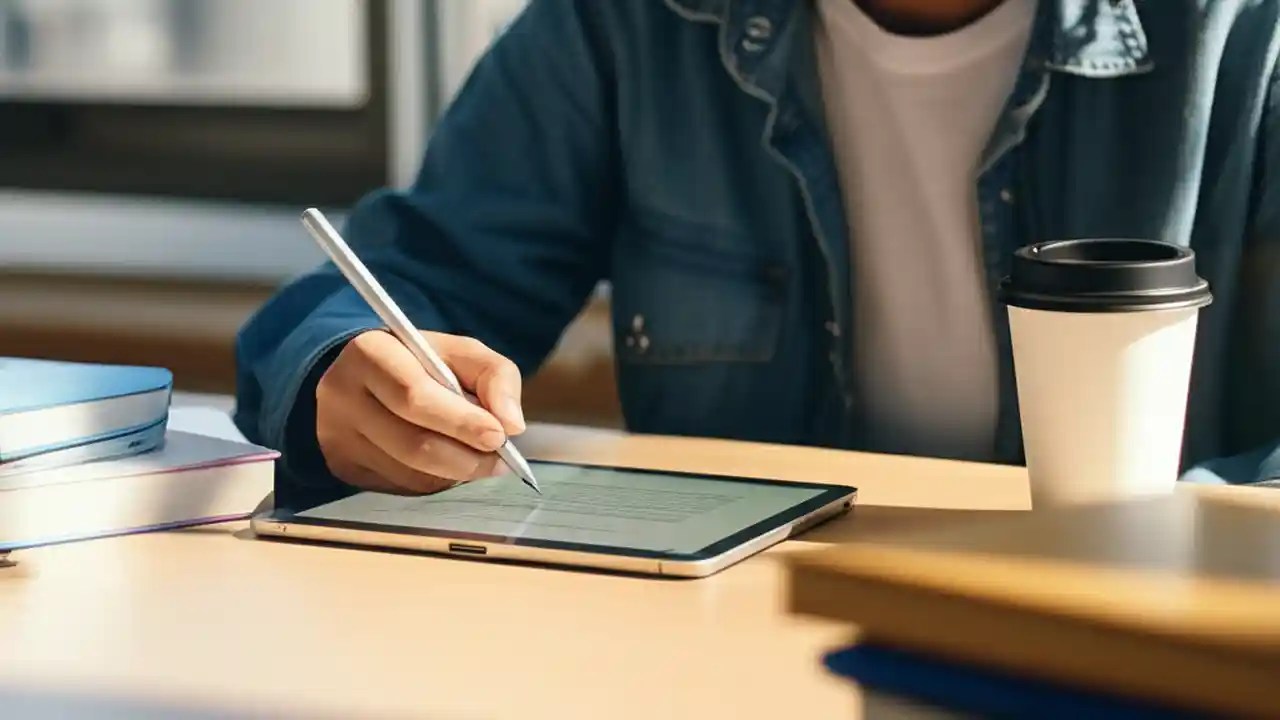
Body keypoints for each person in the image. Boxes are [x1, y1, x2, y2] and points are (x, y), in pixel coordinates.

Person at [234, 0, 1280, 502]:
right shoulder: (626, 25)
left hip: (1127, 657)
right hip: (743, 640)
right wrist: (340, 372)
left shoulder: (1245, 37)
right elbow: (417, 271)